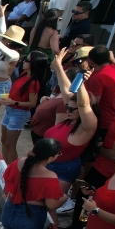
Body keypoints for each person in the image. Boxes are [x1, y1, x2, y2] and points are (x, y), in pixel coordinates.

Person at [45, 48, 97, 193]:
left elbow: (82, 104)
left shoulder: (87, 127)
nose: (67, 110)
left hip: (63, 169)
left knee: (49, 207)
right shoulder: (72, 115)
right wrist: (58, 66)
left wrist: (81, 83)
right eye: (67, 107)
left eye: (71, 109)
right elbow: (65, 88)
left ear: (81, 112)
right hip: (46, 164)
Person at [0, 51, 48, 163]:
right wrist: (2, 101)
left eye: (27, 60)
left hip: (19, 114)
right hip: (9, 110)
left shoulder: (34, 82)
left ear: (34, 63)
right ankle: (4, 165)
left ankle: (11, 170)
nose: (24, 61)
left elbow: (32, 103)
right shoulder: (24, 73)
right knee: (4, 140)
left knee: (10, 144)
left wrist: (13, 102)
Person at [86, 46, 115, 136]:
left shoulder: (98, 78)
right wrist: (113, 60)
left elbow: (94, 104)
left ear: (91, 61)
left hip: (102, 123)